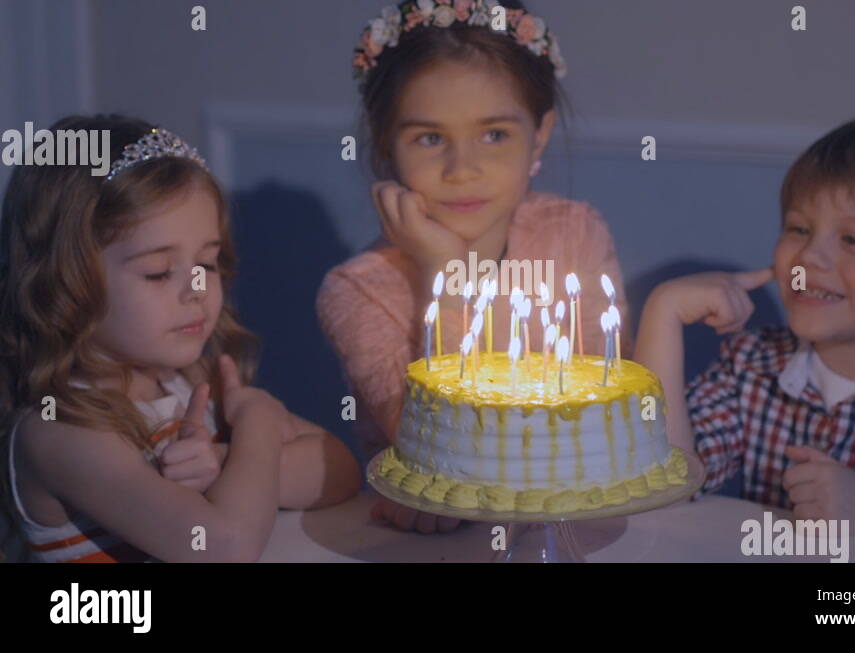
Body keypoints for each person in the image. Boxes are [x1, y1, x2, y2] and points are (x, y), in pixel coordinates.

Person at [317, 0, 631, 532]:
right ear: (387, 144)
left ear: (541, 133)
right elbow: (453, 447)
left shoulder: (574, 234)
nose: (462, 170)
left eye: (494, 135)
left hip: (573, 528)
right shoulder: (357, 291)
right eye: (430, 138)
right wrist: (445, 268)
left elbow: (602, 418)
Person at [636, 115, 855, 562]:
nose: (809, 256)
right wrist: (663, 311)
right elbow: (659, 488)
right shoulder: (750, 363)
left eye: (853, 239)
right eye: (799, 229)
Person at [0, 115, 360, 562]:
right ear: (66, 284)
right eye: (158, 272)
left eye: (207, 264)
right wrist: (259, 426)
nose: (197, 290)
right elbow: (224, 548)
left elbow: (338, 471)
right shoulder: (61, 431)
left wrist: (224, 462)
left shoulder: (187, 380)